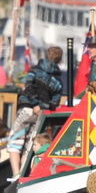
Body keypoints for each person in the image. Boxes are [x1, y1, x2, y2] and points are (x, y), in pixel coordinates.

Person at [6, 46, 64, 176]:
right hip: (41, 115)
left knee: (15, 141)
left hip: (27, 109)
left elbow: (28, 88)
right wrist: (43, 107)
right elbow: (55, 101)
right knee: (31, 145)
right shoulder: (59, 80)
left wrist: (35, 104)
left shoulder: (35, 70)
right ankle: (23, 174)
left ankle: (15, 174)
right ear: (59, 60)